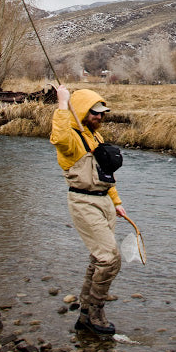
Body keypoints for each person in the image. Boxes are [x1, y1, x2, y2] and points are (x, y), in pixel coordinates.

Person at [50, 85, 127, 336]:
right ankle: (95, 312)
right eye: (95, 113)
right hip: (83, 203)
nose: (100, 117)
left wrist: (116, 203)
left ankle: (85, 315)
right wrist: (63, 103)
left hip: (104, 201)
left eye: (103, 113)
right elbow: (58, 138)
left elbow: (106, 175)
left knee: (99, 259)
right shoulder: (70, 139)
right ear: (82, 111)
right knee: (109, 259)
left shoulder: (96, 137)